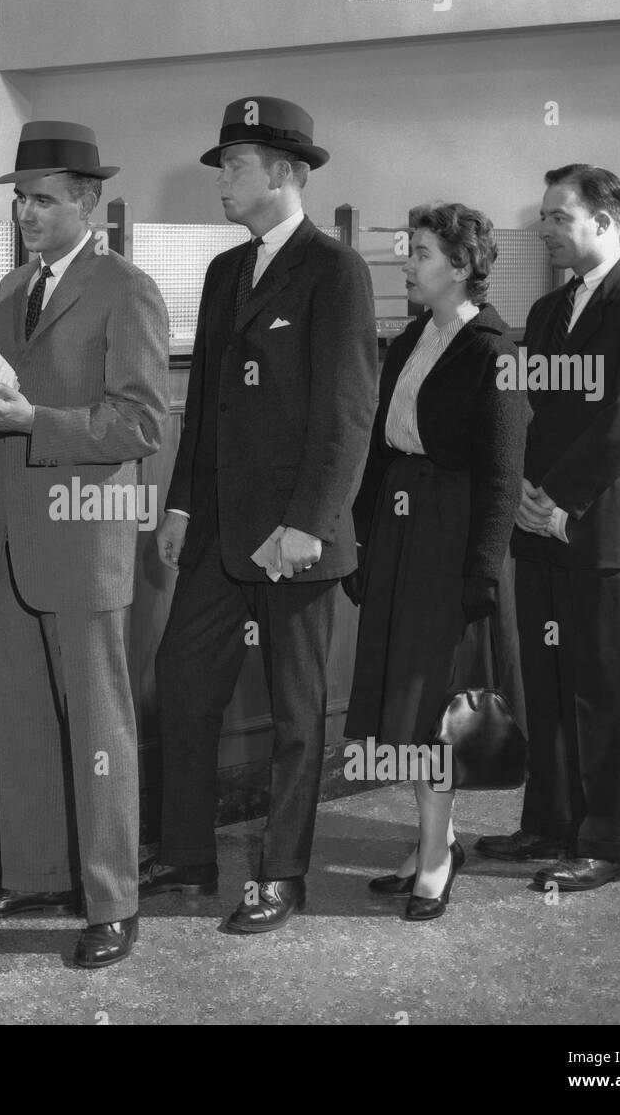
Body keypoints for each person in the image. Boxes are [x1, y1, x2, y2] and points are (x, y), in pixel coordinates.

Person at [141, 96, 378, 934]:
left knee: (294, 710)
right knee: (182, 678)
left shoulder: (334, 270)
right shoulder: (222, 272)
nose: (223, 183)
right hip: (219, 528)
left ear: (286, 173)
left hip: (296, 535)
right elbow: (204, 401)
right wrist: (179, 501)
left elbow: (349, 412)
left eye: (235, 166)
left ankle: (282, 872)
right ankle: (185, 856)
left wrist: (310, 523)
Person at [0, 121, 168, 968]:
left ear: (89, 202)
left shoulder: (127, 290)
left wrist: (37, 421)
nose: (26, 212)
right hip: (12, 537)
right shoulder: (14, 291)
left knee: (99, 727)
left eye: (43, 199)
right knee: (25, 719)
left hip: (83, 540)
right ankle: (38, 872)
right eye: (19, 199)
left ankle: (113, 902)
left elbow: (143, 421)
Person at [476, 165, 620, 891]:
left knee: (604, 689)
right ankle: (549, 824)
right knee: (550, 680)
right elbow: (535, 414)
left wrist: (560, 498)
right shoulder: (545, 310)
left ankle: (605, 845)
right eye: (543, 216)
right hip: (542, 522)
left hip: (603, 524)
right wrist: (530, 499)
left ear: (606, 218)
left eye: (559, 216)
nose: (546, 228)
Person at [345, 203, 530, 920]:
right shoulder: (410, 339)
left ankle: (432, 859)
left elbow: (503, 474)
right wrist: (364, 538)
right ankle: (437, 842)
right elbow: (382, 450)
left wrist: (483, 571)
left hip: (453, 542)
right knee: (408, 705)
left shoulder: (495, 349)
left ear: (459, 268)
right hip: (400, 531)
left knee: (437, 712)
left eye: (419, 253)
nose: (405, 265)